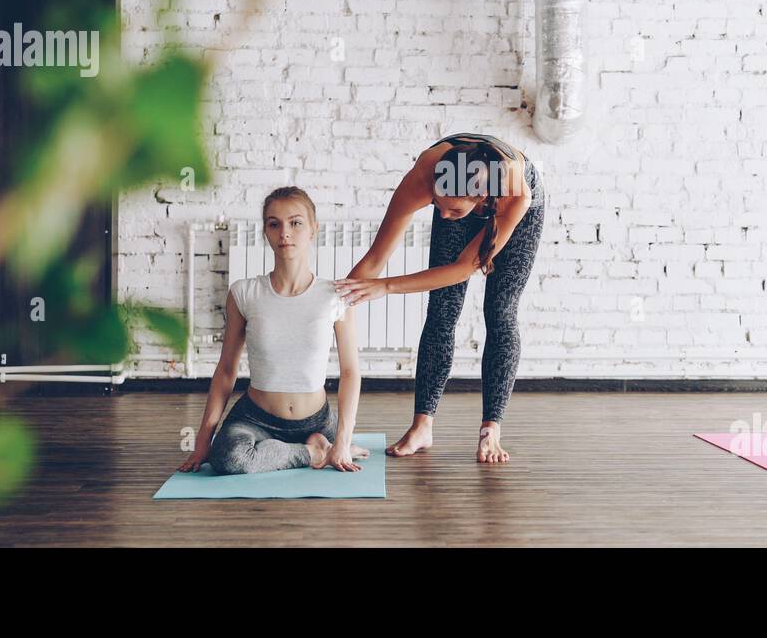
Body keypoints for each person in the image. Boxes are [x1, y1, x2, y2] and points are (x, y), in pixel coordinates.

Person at [334, 133, 546, 463]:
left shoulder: (514, 192)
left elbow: (463, 269)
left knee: (500, 311)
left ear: (481, 196)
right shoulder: (425, 179)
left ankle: (491, 430)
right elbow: (374, 260)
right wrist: (338, 301)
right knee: (442, 310)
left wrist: (387, 287)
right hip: (463, 193)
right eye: (437, 206)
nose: (443, 216)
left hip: (518, 210)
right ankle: (422, 427)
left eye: (453, 209)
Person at [177, 186, 370, 475]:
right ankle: (313, 450)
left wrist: (342, 440)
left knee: (240, 458)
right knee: (228, 458)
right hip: (256, 419)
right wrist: (203, 441)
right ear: (265, 231)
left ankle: (321, 442)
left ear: (313, 229)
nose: (285, 233)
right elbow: (226, 370)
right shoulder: (244, 293)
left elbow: (350, 372)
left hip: (317, 420)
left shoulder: (337, 295)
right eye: (274, 224)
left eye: (295, 223)